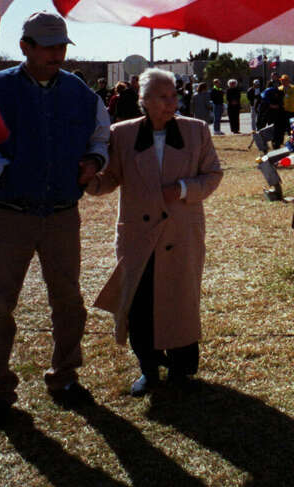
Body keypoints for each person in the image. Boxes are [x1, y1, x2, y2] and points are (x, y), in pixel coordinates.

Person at [0, 11, 110, 429]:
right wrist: (4, 175)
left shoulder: (78, 91)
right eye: (47, 45)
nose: (57, 53)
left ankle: (65, 377)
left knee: (69, 302)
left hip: (61, 216)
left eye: (61, 45)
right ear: (25, 47)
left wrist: (94, 159)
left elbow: (99, 134)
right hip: (8, 217)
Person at [86, 68, 222, 395]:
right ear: (144, 100)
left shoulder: (197, 131)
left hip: (181, 234)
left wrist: (184, 189)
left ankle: (180, 369)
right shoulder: (121, 134)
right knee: (139, 305)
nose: (171, 102)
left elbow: (213, 174)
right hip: (138, 238)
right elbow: (110, 177)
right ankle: (148, 368)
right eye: (163, 97)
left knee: (179, 301)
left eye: (174, 95)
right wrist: (89, 181)